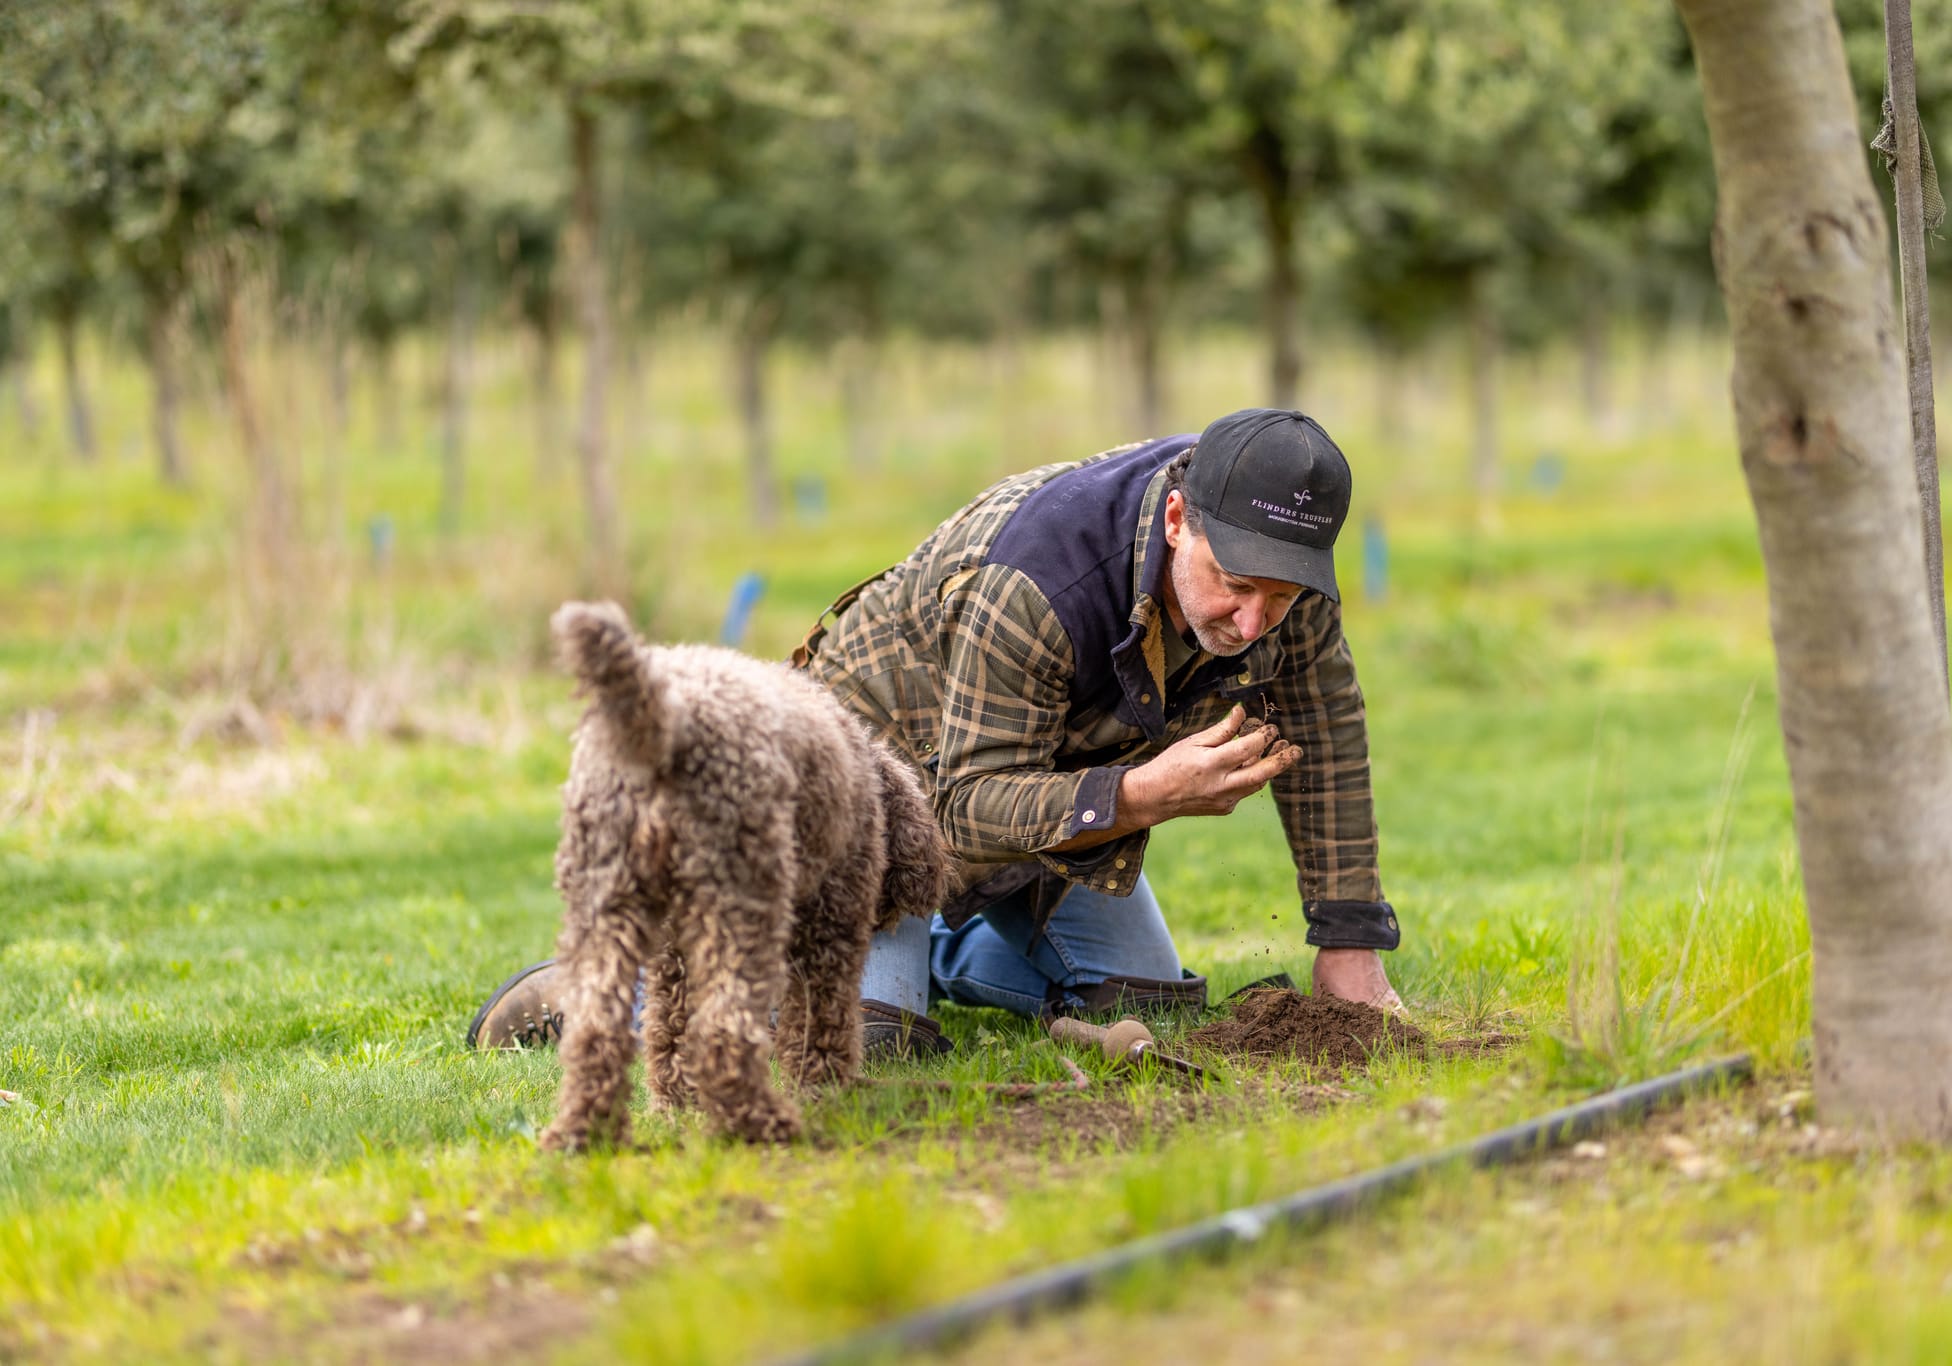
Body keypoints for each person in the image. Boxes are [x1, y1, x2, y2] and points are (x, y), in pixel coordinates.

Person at [470, 408, 1401, 1053]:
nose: (1254, 620)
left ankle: (935, 953)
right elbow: (957, 809)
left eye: (1280, 597)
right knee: (861, 1041)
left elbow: (1328, 737)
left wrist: (1347, 942)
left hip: (1038, 798)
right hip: (874, 818)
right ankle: (604, 990)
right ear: (1175, 520)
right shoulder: (1036, 582)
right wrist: (1140, 795)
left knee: (1149, 1001)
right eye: (1233, 588)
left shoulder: (1280, 572)